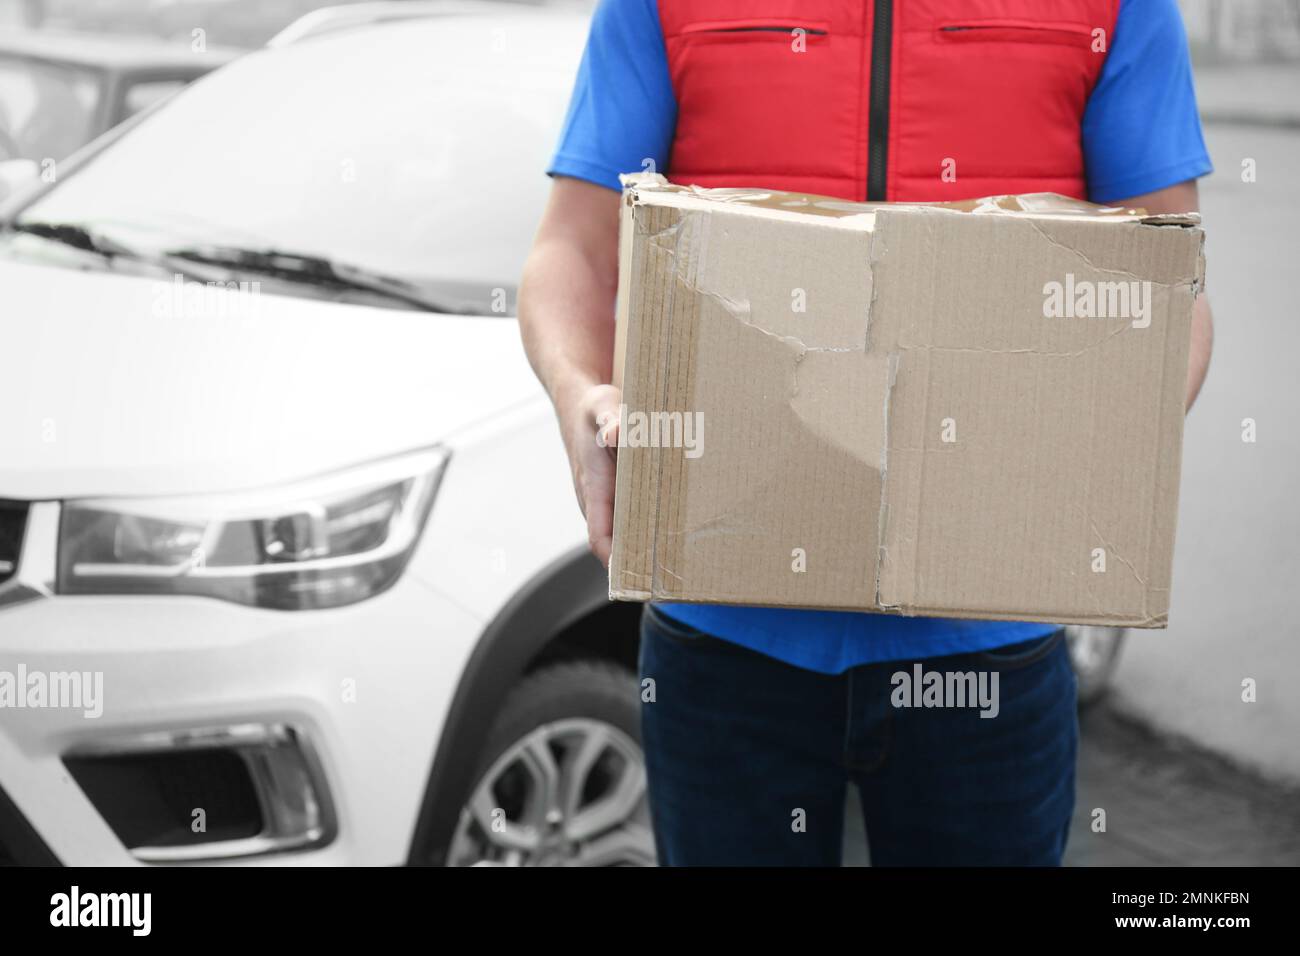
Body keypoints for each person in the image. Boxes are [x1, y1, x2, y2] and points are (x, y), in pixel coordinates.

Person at [518, 0, 1214, 866]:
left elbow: (1168, 283)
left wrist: (1089, 441)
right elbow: (572, 251)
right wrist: (579, 390)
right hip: (722, 630)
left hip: (985, 646)